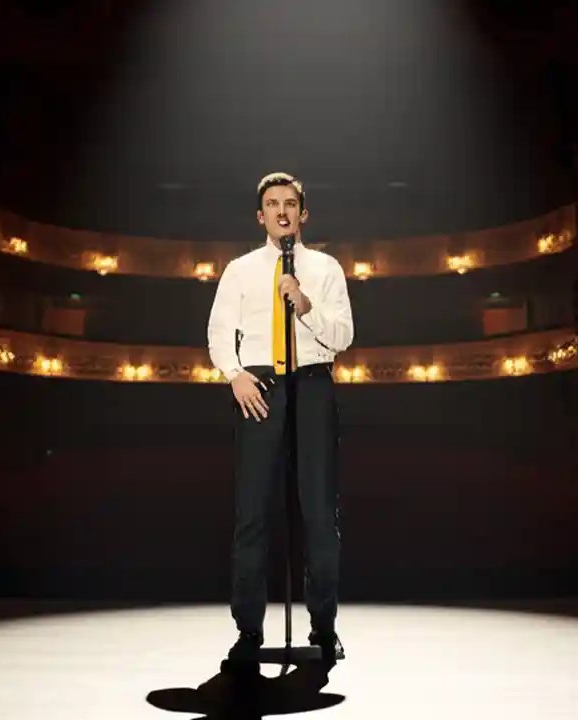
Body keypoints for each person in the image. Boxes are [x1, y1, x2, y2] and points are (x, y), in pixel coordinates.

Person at [206, 172, 354, 668]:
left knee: (318, 515)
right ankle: (248, 631)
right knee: (251, 515)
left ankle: (324, 628)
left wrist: (305, 305)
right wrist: (234, 375)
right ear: (261, 216)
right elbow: (219, 331)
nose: (282, 212)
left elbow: (344, 336)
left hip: (312, 385)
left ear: (303, 213)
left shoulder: (326, 268)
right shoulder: (241, 270)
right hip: (260, 389)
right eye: (272, 204)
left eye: (290, 203)